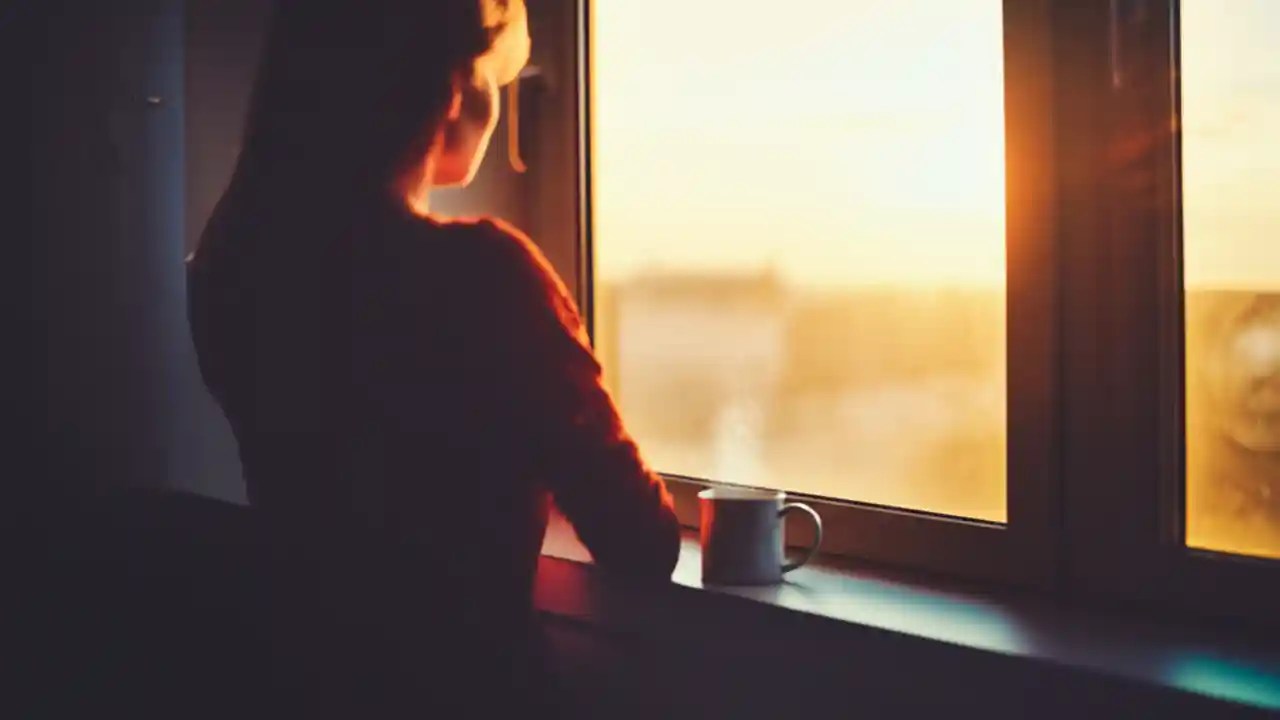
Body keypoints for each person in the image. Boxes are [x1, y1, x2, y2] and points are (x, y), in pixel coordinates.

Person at [186, 0, 680, 713]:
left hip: (298, 681)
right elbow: (641, 540)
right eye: (489, 70)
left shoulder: (234, 268)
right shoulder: (485, 279)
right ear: (446, 83)